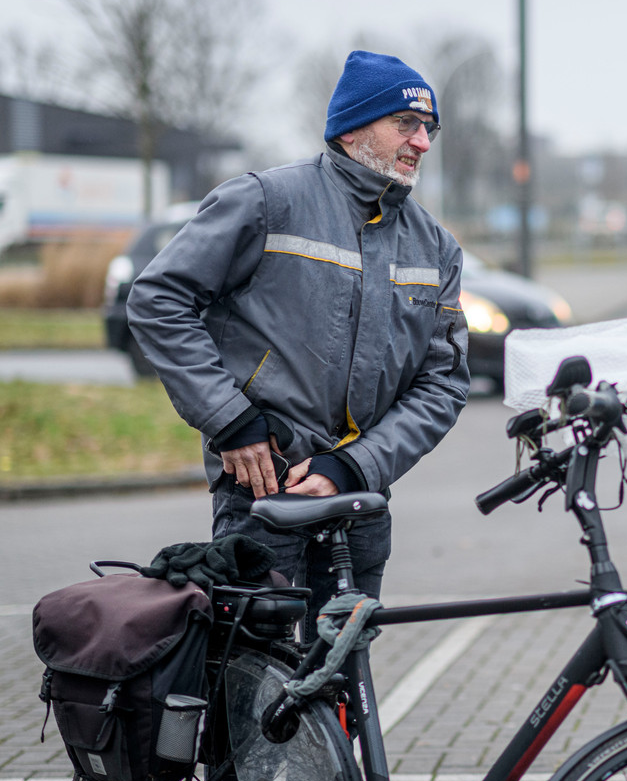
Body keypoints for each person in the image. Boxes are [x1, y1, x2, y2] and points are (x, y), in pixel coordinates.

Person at [128, 50, 471, 624]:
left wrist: (355, 465)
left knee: (344, 667)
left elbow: (443, 383)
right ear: (352, 127)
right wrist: (231, 421)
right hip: (262, 492)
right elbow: (158, 300)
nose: (422, 142)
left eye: (428, 129)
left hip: (359, 498)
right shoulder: (265, 201)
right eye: (406, 123)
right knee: (254, 666)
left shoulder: (437, 248)